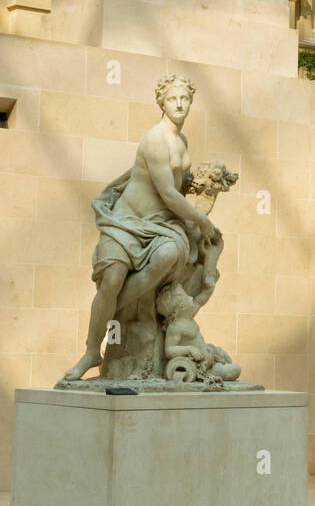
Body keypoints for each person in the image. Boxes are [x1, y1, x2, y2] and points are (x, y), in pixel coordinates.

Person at [62, 74, 220, 382]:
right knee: (112, 279)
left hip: (160, 226)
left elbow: (180, 187)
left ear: (190, 103)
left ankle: (110, 315)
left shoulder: (181, 141)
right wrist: (202, 220)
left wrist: (208, 186)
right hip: (126, 222)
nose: (179, 104)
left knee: (170, 255)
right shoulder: (155, 140)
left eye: (184, 99)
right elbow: (168, 193)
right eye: (172, 98)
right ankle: (92, 350)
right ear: (161, 102)